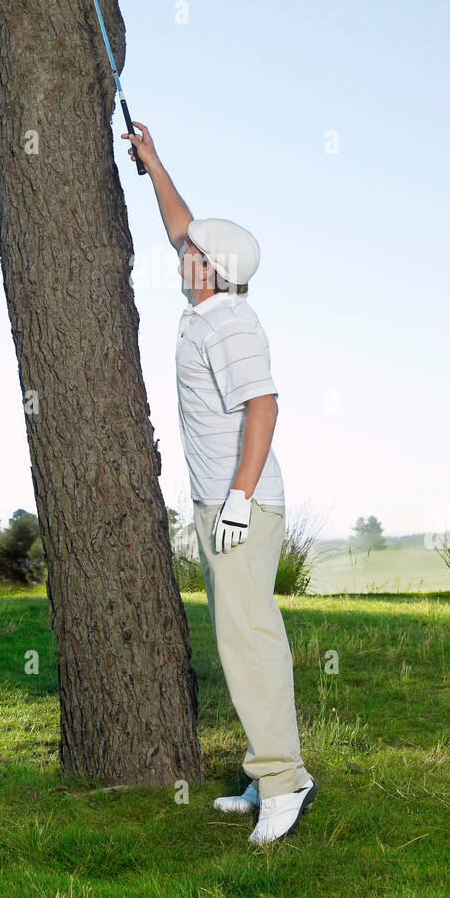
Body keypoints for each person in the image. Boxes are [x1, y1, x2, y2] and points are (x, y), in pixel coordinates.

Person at [121, 121, 316, 845]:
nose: (182, 249)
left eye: (193, 251)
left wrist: (236, 498)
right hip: (223, 502)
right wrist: (153, 161)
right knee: (239, 636)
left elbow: (263, 407)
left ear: (212, 270)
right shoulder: (209, 300)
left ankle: (282, 781)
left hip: (243, 504)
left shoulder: (229, 324)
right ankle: (267, 768)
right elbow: (179, 223)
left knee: (248, 638)